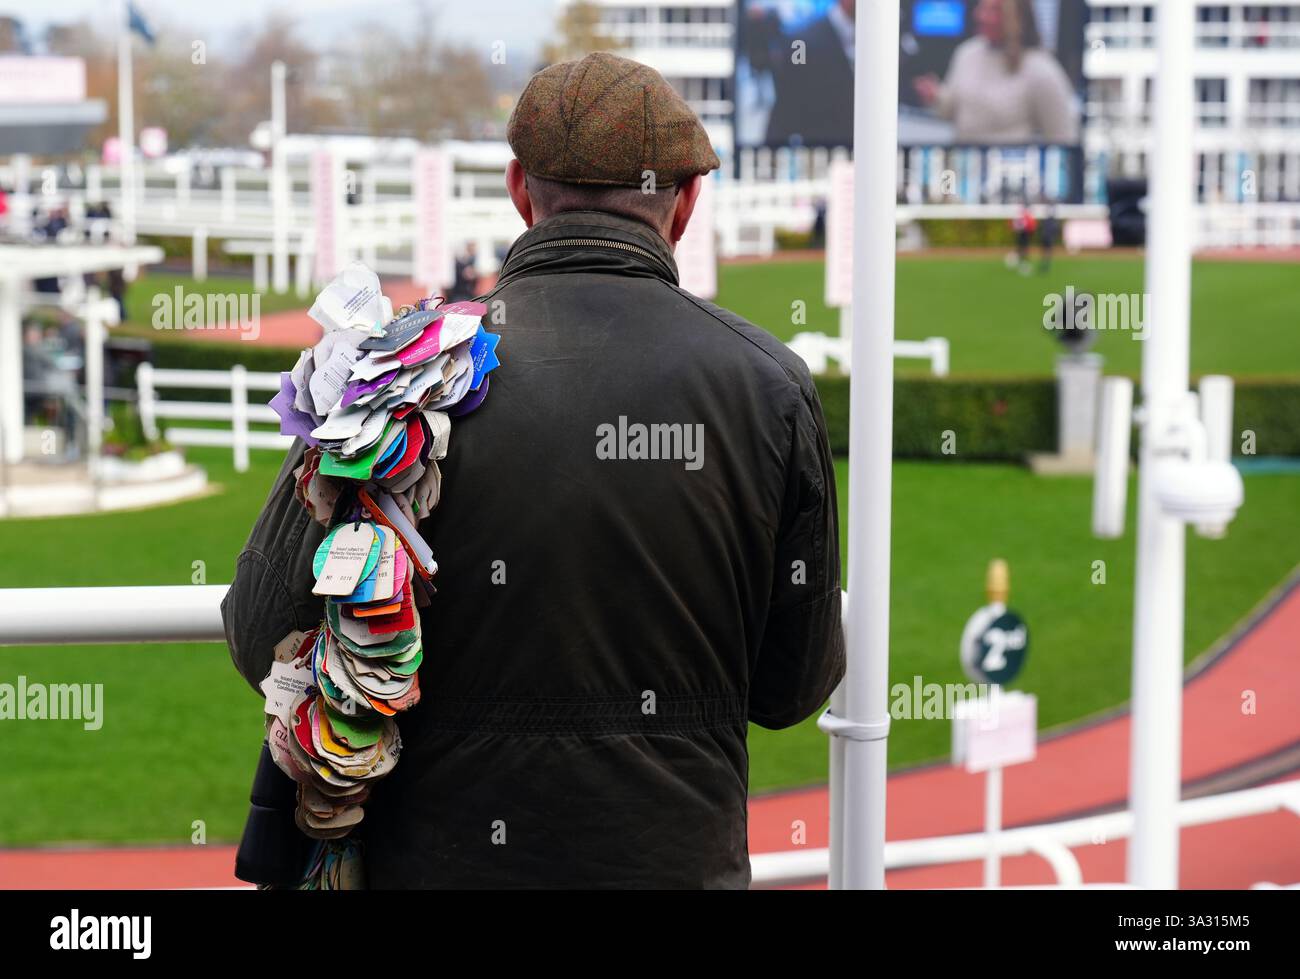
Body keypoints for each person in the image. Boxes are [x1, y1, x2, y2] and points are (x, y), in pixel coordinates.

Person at [223, 51, 845, 889]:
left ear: (520, 190)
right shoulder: (769, 386)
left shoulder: (395, 370)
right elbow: (791, 687)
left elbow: (258, 629)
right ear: (687, 204)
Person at [912, 0, 1080, 144]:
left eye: (993, 10)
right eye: (982, 8)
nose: (981, 16)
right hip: (965, 168)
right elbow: (954, 110)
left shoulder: (1041, 70)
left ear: (1016, 17)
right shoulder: (967, 53)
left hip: (1011, 174)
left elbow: (1063, 139)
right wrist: (936, 97)